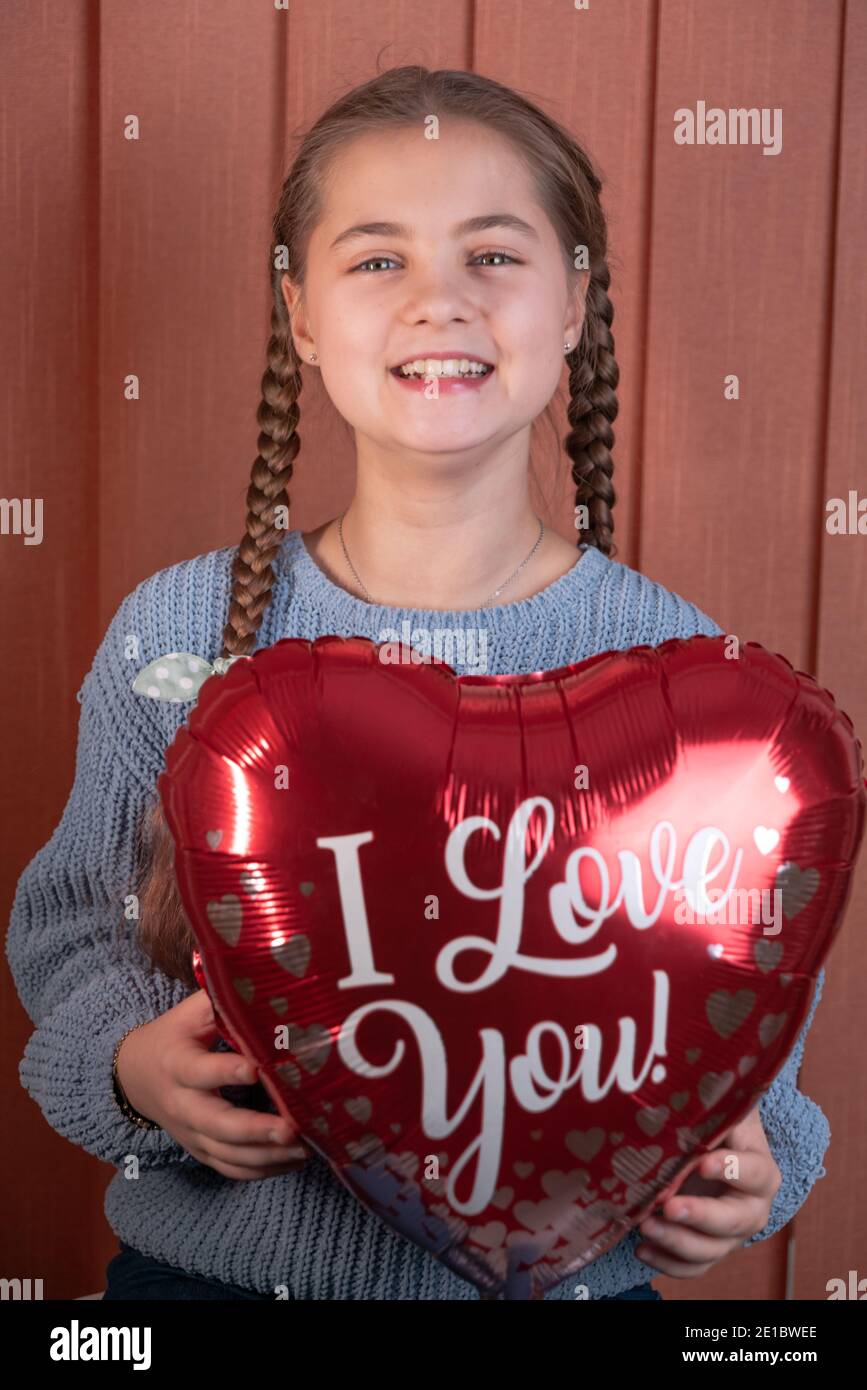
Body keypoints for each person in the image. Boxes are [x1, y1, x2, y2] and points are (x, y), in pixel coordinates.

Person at [6, 65, 830, 1302]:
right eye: (378, 260)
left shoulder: (690, 682)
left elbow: (745, 1007)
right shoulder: (171, 631)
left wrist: (767, 1158)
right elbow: (78, 925)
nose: (439, 301)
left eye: (494, 256)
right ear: (299, 314)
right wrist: (131, 1067)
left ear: (574, 304)